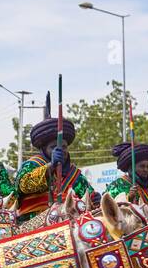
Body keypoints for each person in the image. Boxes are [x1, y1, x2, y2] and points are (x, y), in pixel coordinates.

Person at [13, 93, 94, 223]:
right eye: (53, 147)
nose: (60, 151)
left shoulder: (74, 173)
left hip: (69, 223)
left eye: (63, 147)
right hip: (33, 223)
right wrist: (50, 167)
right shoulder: (32, 164)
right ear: (43, 148)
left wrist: (95, 199)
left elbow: (89, 195)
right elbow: (22, 186)